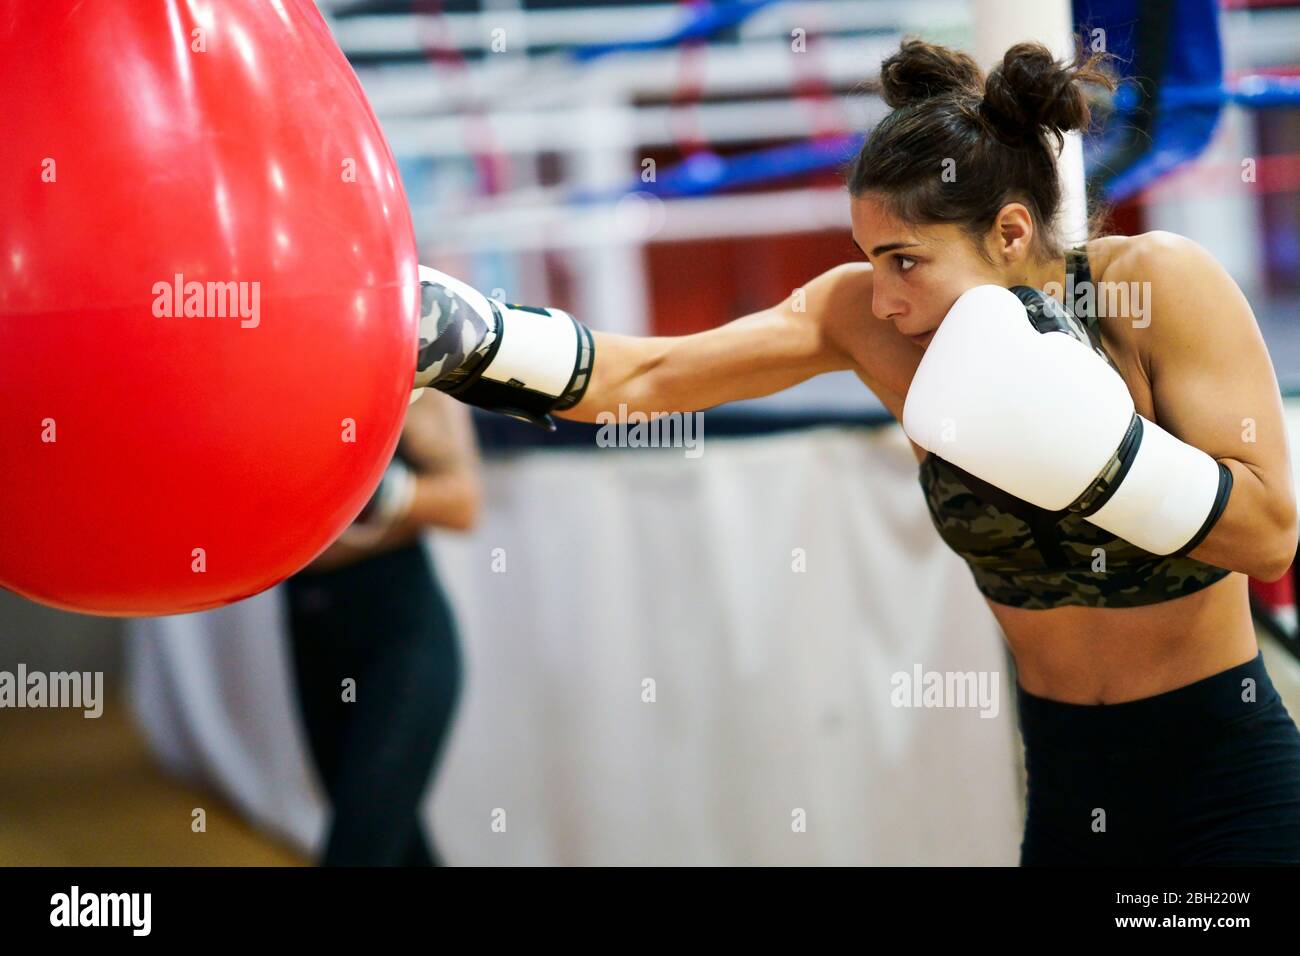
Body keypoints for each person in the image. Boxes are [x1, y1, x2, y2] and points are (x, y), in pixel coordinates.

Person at [416, 39, 1300, 865]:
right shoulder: (859, 318)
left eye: (906, 260)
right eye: (868, 258)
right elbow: (645, 378)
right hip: (1071, 785)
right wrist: (465, 336)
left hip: (1228, 772)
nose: (881, 296)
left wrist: (1098, 457)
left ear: (1012, 232)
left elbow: (1268, 537)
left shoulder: (1152, 285)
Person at [286, 390, 481, 866]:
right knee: (399, 850)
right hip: (314, 638)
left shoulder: (396, 368)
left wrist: (380, 493)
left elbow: (464, 503)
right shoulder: (259, 373)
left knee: (355, 854)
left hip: (401, 643)